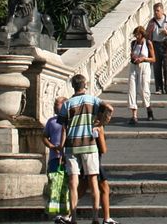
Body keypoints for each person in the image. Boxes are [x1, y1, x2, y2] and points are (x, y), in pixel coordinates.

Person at [57, 74, 114, 224]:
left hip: (72, 145)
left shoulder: (67, 104)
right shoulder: (92, 100)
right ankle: (95, 217)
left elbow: (63, 128)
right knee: (93, 180)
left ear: (73, 86)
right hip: (89, 144)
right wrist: (101, 123)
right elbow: (109, 108)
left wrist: (61, 148)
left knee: (73, 182)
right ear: (85, 85)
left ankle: (73, 217)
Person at [92, 116, 118, 224]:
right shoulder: (98, 128)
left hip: (91, 160)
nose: (109, 117)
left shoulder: (88, 126)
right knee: (104, 188)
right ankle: (106, 218)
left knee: (81, 189)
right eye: (107, 115)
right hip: (94, 160)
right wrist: (101, 134)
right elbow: (103, 149)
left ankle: (68, 214)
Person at [127, 25, 155, 125]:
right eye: (135, 35)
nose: (137, 37)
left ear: (142, 34)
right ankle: (134, 115)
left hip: (144, 67)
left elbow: (153, 59)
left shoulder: (148, 43)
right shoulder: (133, 43)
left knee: (144, 89)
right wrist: (133, 57)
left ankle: (148, 108)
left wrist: (143, 59)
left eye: (138, 35)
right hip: (134, 67)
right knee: (132, 89)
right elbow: (131, 54)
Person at [145, 2, 167, 94]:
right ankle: (159, 88)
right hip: (155, 45)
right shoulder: (152, 22)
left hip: (166, 45)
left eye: (158, 11)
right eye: (155, 11)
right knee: (157, 67)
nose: (156, 13)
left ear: (162, 11)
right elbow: (147, 34)